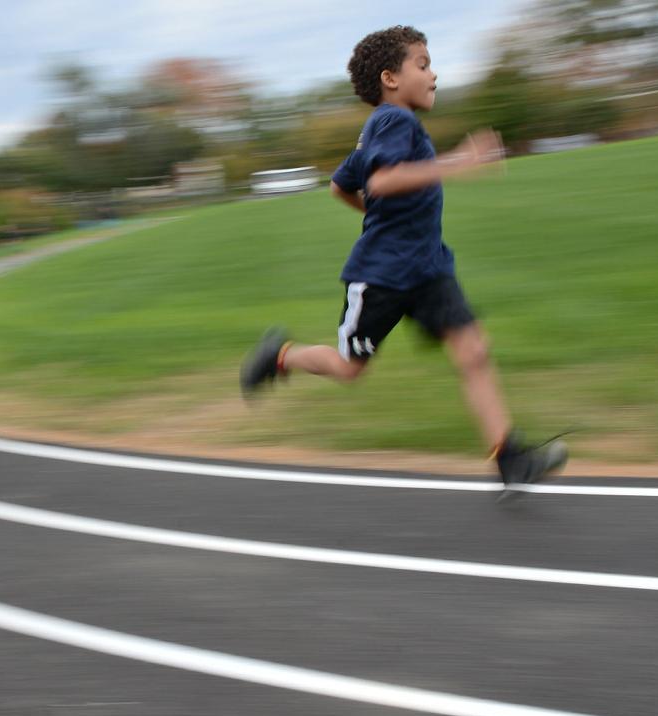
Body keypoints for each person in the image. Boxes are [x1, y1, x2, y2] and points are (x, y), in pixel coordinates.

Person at [239, 25, 567, 487]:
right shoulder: (393, 122)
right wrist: (459, 162)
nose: (434, 75)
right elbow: (380, 183)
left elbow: (342, 185)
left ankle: (508, 456)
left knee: (473, 350)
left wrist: (381, 220)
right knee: (348, 369)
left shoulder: (380, 131)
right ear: (391, 78)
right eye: (424, 64)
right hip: (383, 276)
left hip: (429, 268)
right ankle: (280, 357)